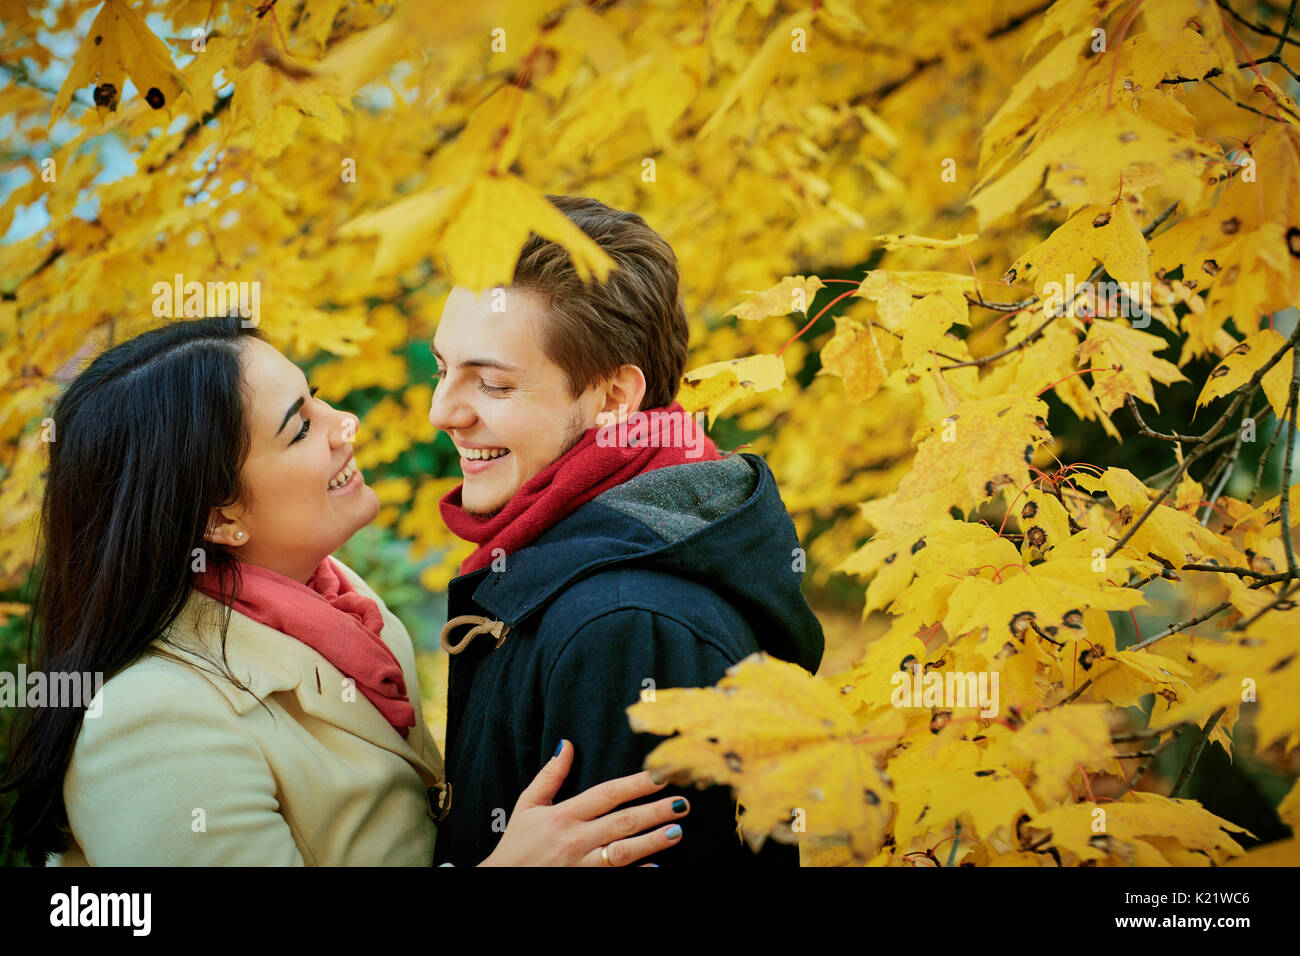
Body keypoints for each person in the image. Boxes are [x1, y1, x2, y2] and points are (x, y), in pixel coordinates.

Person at [0, 315, 689, 866]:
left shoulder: (353, 620)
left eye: (318, 396)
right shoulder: (152, 718)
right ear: (220, 516)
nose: (343, 427)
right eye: (301, 427)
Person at [429, 195, 825, 867]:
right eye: (443, 369)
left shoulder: (627, 627)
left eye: (491, 385)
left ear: (613, 399)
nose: (442, 411)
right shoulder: (573, 563)